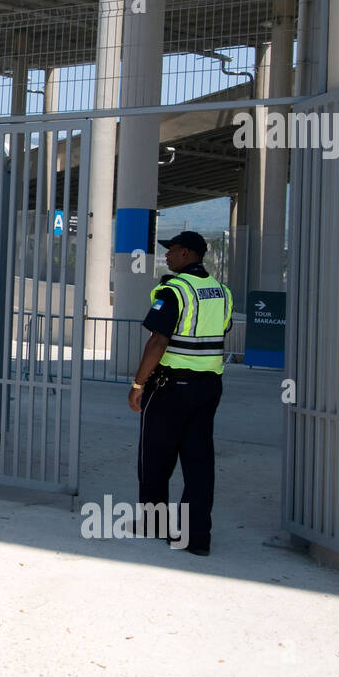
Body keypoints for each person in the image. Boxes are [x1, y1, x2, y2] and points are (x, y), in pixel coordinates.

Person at [127, 231, 233, 557]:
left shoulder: (175, 291)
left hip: (171, 387)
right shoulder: (223, 292)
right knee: (198, 462)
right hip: (208, 388)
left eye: (171, 250)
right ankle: (195, 538)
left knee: (156, 458)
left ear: (186, 253)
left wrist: (138, 385)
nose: (168, 256)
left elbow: (158, 342)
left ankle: (153, 523)